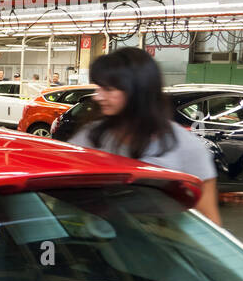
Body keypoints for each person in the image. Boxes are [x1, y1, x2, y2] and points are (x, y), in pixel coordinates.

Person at [68, 46, 220, 223]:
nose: (97, 97)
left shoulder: (187, 147)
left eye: (108, 89)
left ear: (138, 91)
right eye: (99, 88)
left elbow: (209, 220)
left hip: (160, 246)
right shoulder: (90, 138)